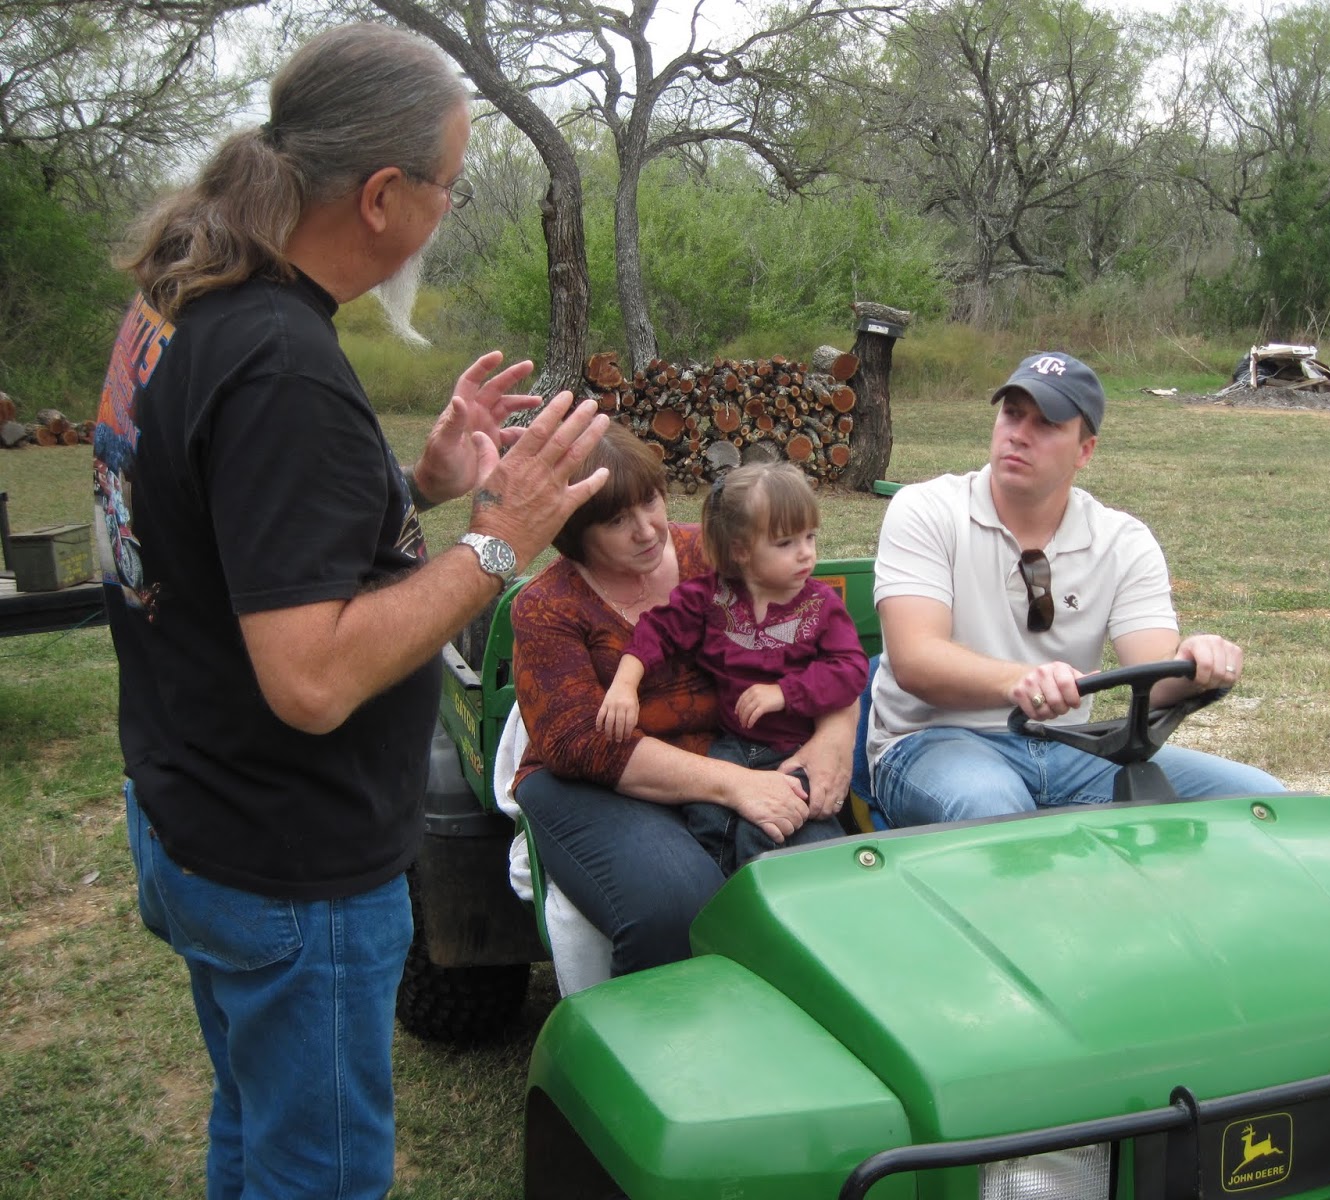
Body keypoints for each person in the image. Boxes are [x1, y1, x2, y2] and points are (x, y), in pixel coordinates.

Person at [90, 24, 612, 1200]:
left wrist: (414, 488)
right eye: (448, 184)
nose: (446, 207)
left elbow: (222, 525)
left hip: (191, 808)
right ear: (382, 195)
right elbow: (311, 678)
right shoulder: (280, 364)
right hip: (288, 864)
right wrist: (499, 539)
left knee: (255, 1132)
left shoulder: (190, 289)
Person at [867, 350, 1284, 825]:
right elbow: (915, 661)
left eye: (1046, 424)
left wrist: (1195, 661)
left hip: (1068, 748)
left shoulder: (1122, 541)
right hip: (931, 742)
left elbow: (1154, 676)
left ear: (1085, 451)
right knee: (995, 810)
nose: (1018, 435)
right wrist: (1018, 682)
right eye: (1012, 413)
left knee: (1262, 801)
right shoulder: (927, 509)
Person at [510, 426, 858, 974]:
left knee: (811, 868)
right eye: (616, 520)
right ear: (573, 530)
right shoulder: (547, 607)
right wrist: (738, 786)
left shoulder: (718, 551)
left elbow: (820, 636)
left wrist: (835, 735)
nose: (648, 529)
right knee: (676, 903)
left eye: (649, 500)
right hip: (603, 784)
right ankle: (666, 1047)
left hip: (745, 748)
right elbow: (580, 744)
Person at [598, 461, 867, 871]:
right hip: (733, 746)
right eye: (785, 542)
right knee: (708, 818)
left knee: (773, 827)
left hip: (797, 749)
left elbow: (849, 669)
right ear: (741, 550)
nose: (806, 552)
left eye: (810, 536)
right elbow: (658, 631)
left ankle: (772, 906)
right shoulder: (711, 599)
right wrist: (625, 683)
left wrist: (785, 692)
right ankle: (717, 897)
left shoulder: (820, 607)